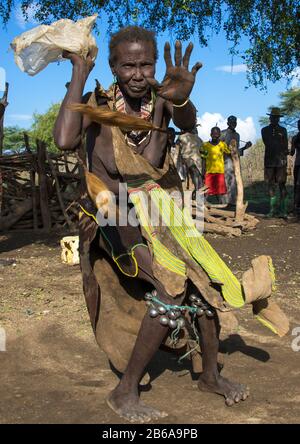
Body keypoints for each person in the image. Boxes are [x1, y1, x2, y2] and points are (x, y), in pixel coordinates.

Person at [54, 26, 288, 422]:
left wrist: (182, 100)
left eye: (146, 64)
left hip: (160, 211)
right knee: (170, 284)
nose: (138, 73)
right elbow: (63, 140)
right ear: (113, 67)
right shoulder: (97, 103)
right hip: (112, 211)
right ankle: (124, 391)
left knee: (202, 284)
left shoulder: (161, 102)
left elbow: (188, 120)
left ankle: (210, 375)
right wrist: (78, 72)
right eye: (128, 65)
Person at [261, 108, 289, 218]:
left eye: (277, 118)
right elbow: (268, 143)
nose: (275, 119)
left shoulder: (283, 130)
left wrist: (286, 154)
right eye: (273, 117)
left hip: (281, 161)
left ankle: (283, 210)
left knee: (282, 184)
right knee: (270, 185)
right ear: (270, 118)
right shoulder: (264, 130)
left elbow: (285, 145)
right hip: (269, 161)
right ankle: (272, 210)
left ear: (279, 119)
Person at [220, 115, 252, 205]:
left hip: (235, 161)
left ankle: (233, 201)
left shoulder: (237, 135)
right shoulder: (223, 133)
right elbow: (217, 146)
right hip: (225, 161)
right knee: (226, 180)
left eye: (235, 122)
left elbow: (236, 150)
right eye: (231, 122)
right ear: (228, 123)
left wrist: (245, 147)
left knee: (235, 180)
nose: (233, 124)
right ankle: (224, 202)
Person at [202, 126, 231, 202]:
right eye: (213, 134)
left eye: (217, 134)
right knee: (206, 191)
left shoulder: (223, 145)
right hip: (209, 172)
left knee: (220, 192)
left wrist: (241, 148)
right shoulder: (205, 145)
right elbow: (203, 159)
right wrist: (202, 171)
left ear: (220, 135)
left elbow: (230, 153)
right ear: (210, 134)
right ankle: (201, 207)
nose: (215, 135)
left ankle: (222, 207)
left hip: (220, 172)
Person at [177, 128, 204, 199]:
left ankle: (195, 197)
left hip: (186, 160)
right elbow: (202, 150)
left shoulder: (181, 137)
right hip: (193, 161)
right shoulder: (199, 139)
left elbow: (177, 147)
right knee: (197, 179)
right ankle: (198, 197)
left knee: (190, 178)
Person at [290, 119, 300, 219]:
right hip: (297, 164)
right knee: (296, 185)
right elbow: (292, 152)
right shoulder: (295, 138)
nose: (299, 126)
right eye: (298, 125)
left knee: (298, 185)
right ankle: (296, 207)